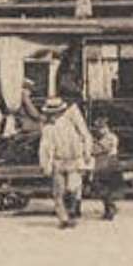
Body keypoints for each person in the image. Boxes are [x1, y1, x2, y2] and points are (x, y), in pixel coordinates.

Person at [38, 96, 92, 228]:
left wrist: (86, 152)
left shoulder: (70, 123)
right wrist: (45, 164)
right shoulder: (48, 128)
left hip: (72, 160)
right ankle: (64, 218)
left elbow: (85, 136)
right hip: (59, 161)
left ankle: (70, 212)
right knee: (60, 191)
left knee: (71, 188)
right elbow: (45, 148)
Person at [90, 115, 122, 221]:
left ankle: (110, 208)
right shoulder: (103, 138)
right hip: (104, 164)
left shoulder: (110, 137)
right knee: (103, 188)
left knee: (102, 187)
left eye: (101, 128)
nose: (99, 130)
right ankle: (109, 208)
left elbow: (96, 150)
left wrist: (92, 144)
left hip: (108, 164)